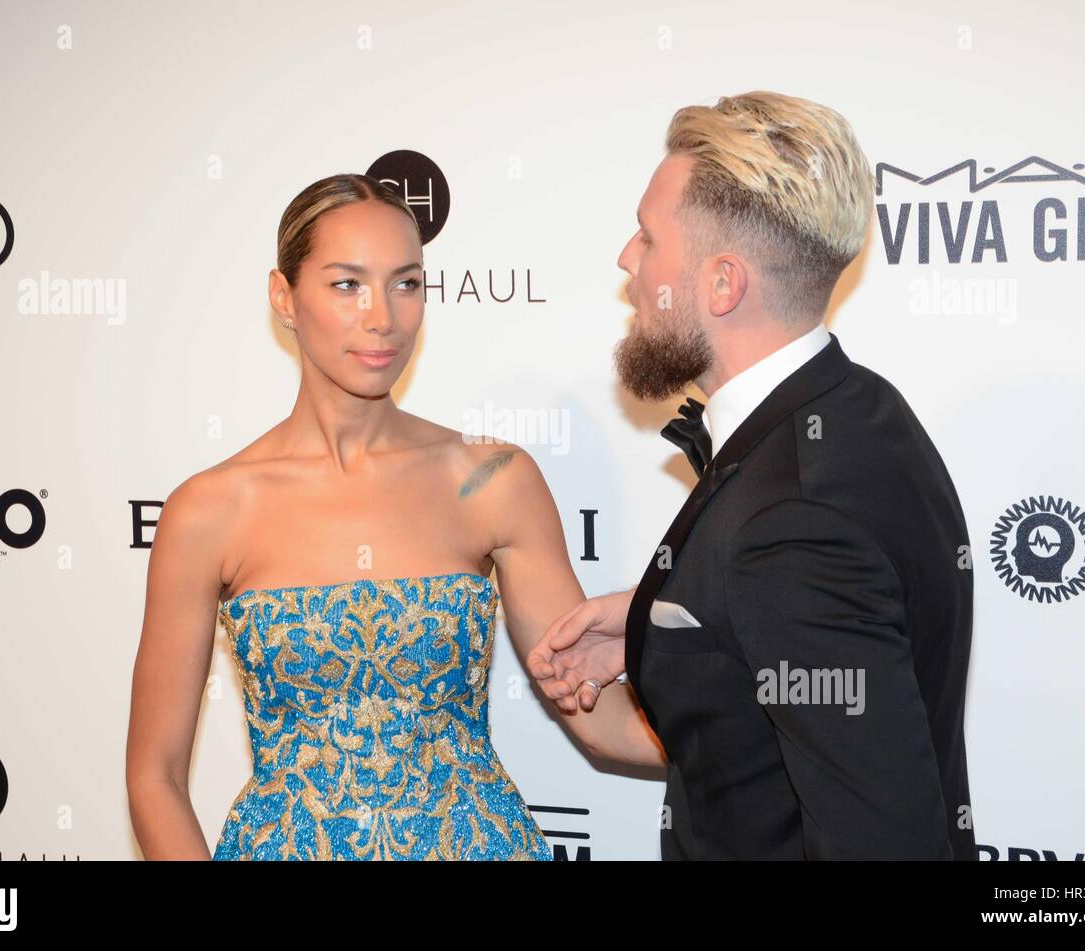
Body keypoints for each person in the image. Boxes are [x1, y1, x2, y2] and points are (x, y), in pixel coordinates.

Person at [125, 173, 661, 861]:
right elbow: (154, 776)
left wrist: (764, 739)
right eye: (347, 284)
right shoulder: (211, 509)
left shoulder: (493, 480)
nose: (383, 316)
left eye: (406, 283)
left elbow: (599, 718)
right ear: (283, 297)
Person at [529, 91, 977, 860]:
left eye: (648, 238)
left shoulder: (791, 521)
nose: (626, 260)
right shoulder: (857, 408)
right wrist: (665, 621)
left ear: (723, 284)